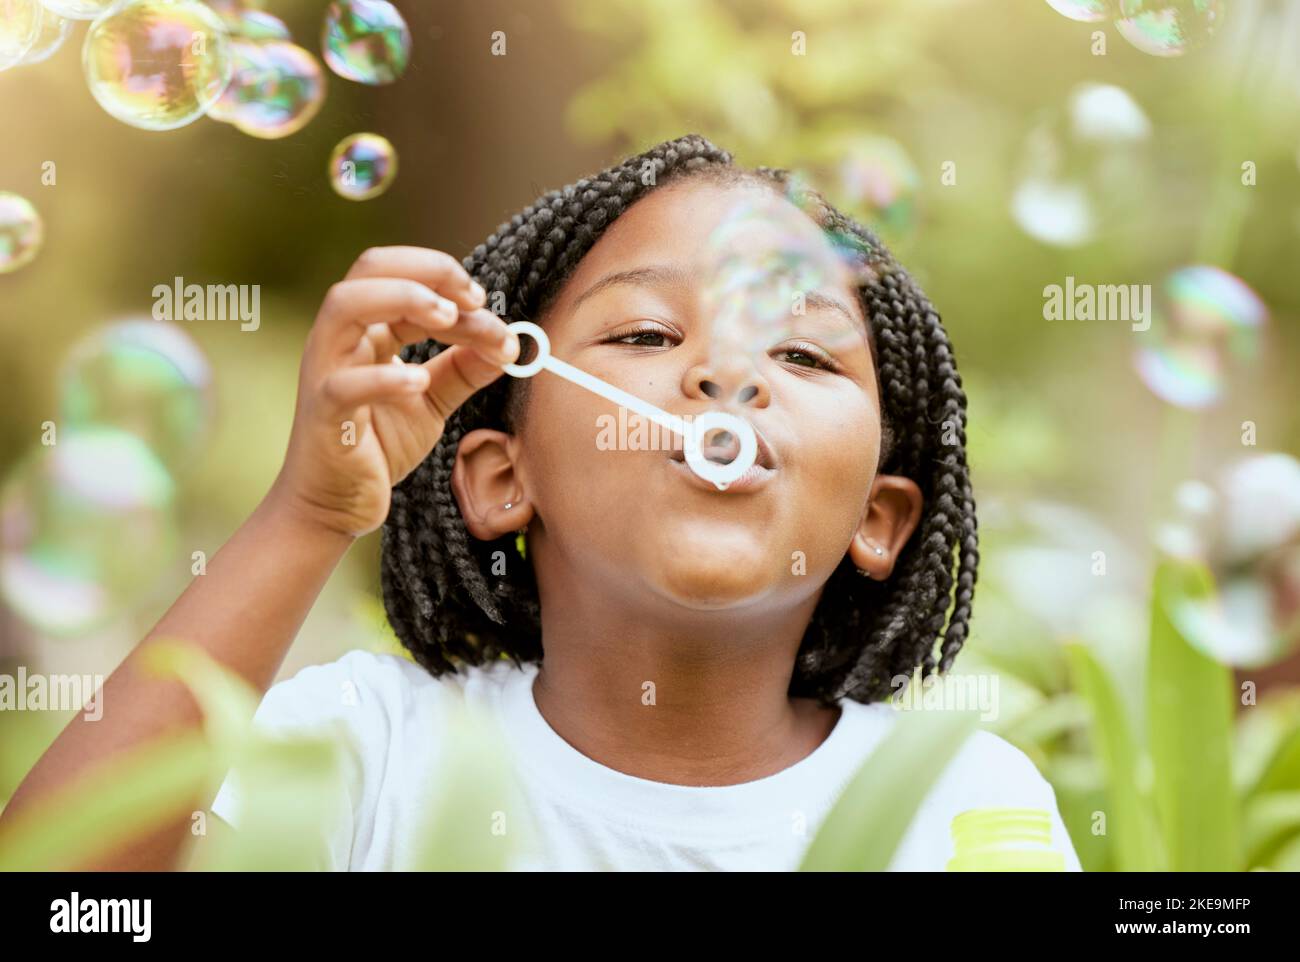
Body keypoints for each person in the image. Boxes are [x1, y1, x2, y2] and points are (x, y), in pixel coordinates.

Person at [2, 133, 1081, 871]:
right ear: (501, 478)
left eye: (800, 350)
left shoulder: (956, 797)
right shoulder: (369, 750)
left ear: (878, 520)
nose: (726, 376)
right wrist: (309, 512)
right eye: (648, 335)